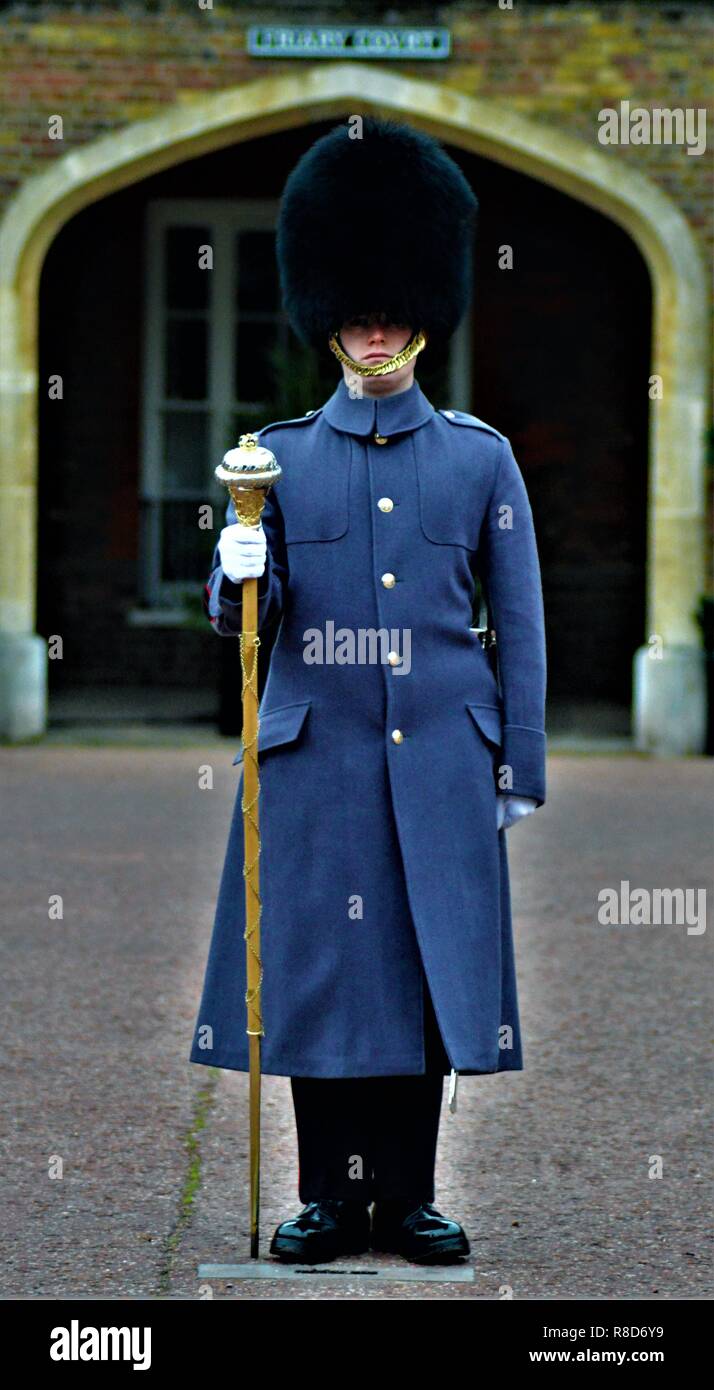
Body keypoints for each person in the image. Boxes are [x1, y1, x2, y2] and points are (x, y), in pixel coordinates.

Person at [189, 117, 547, 1265]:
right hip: (319, 752)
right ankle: (329, 1198)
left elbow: (523, 620)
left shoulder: (481, 458)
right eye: (357, 311)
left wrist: (518, 763)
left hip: (444, 748)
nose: (376, 328)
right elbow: (247, 610)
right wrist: (236, 566)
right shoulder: (279, 459)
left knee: (426, 976)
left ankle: (406, 1196)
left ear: (423, 313)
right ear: (329, 316)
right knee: (325, 975)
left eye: (392, 309)